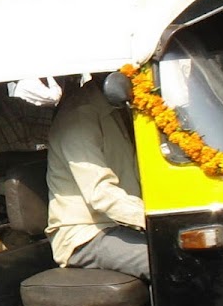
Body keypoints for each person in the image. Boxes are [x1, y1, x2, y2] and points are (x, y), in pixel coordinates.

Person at [45, 78, 149, 280]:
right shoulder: (78, 117)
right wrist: (155, 219)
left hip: (124, 226)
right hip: (86, 235)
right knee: (168, 259)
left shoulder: (121, 107)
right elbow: (100, 193)